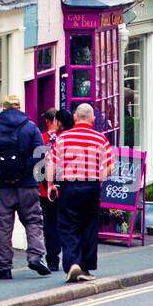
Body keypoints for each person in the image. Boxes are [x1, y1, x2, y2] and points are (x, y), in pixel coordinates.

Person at [0, 96, 50, 279]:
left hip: (2, 187)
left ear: (3, 108)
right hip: (27, 185)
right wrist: (25, 171)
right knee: (33, 221)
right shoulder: (30, 127)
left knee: (4, 227)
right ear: (19, 107)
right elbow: (40, 154)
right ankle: (36, 257)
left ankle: (4, 268)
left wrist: (1, 170)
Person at [45, 103, 114, 283]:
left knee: (68, 226)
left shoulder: (62, 138)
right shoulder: (100, 139)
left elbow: (51, 163)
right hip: (90, 187)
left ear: (75, 118)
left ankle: (72, 263)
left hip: (68, 188)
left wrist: (51, 184)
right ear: (92, 119)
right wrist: (99, 180)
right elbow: (110, 166)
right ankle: (85, 267)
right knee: (89, 227)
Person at [37, 110, 63, 272]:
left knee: (49, 224)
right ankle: (65, 255)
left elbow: (38, 164)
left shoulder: (41, 138)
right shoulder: (65, 137)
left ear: (48, 120)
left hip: (44, 190)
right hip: (65, 187)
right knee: (62, 222)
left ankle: (52, 259)